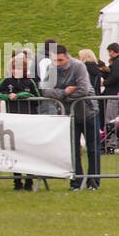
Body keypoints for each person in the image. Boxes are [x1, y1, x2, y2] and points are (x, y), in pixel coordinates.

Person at [43, 43, 101, 190]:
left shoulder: (79, 66)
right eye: (55, 60)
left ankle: (93, 182)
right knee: (73, 150)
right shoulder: (51, 69)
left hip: (88, 112)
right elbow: (45, 90)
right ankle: (76, 182)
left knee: (93, 148)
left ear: (67, 57)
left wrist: (64, 97)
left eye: (60, 60)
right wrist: (64, 93)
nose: (57, 64)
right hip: (69, 115)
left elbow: (83, 89)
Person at [0, 50, 41, 190]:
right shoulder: (8, 81)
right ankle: (17, 181)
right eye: (14, 68)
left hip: (28, 119)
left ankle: (29, 181)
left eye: (19, 68)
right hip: (13, 119)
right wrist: (7, 96)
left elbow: (37, 95)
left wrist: (20, 95)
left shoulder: (29, 81)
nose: (16, 71)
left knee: (29, 151)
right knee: (14, 151)